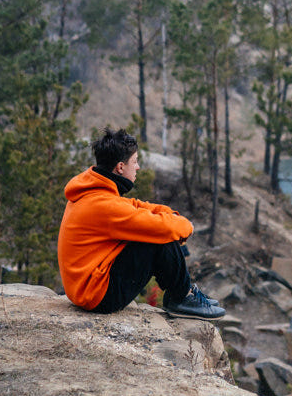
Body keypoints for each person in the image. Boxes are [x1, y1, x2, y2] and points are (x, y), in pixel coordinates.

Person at [57, 127, 225, 320]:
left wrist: (171, 215)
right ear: (120, 167)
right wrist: (185, 225)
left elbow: (136, 205)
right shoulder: (104, 205)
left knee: (157, 230)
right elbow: (163, 228)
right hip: (98, 296)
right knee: (158, 238)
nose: (137, 167)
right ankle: (181, 297)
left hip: (87, 287)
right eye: (135, 162)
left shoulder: (94, 192)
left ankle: (182, 294)